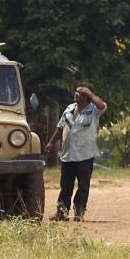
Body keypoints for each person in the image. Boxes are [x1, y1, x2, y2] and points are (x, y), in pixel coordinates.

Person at [44, 83, 106, 222]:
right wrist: (51, 143)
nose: (76, 94)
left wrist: (89, 93)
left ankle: (79, 211)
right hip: (68, 154)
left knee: (83, 185)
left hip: (85, 154)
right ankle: (62, 212)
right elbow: (60, 128)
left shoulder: (94, 109)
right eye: (76, 91)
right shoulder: (69, 108)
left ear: (86, 96)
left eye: (80, 93)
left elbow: (102, 105)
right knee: (65, 185)